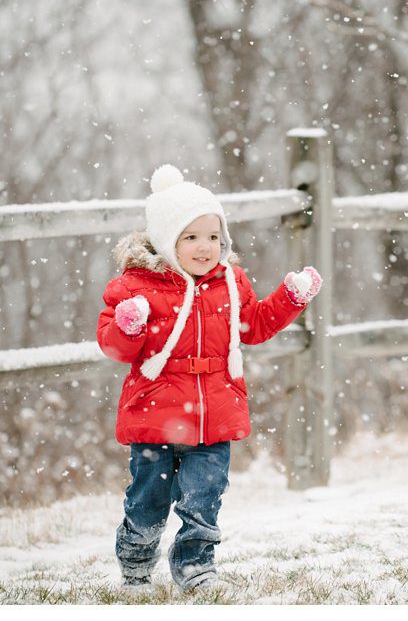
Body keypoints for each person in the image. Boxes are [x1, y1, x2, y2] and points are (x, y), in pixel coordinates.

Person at [97, 164, 322, 591]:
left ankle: (196, 568)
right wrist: (128, 325)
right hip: (156, 413)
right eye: (192, 237)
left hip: (213, 413)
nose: (206, 248)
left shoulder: (230, 283)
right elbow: (113, 346)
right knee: (149, 499)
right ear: (167, 240)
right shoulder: (135, 286)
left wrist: (290, 299)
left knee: (204, 497)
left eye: (214, 237)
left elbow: (253, 325)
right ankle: (136, 565)